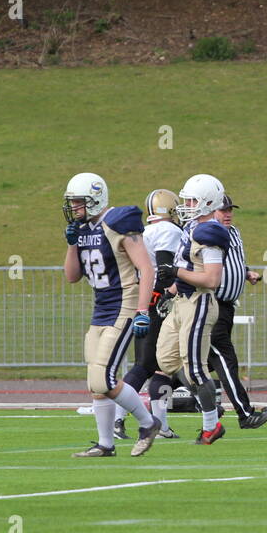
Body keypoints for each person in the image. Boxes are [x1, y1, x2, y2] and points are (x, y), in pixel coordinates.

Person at [62, 172, 160, 458]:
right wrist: (71, 243)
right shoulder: (82, 229)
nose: (75, 208)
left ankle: (147, 422)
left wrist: (143, 310)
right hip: (100, 309)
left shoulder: (118, 222)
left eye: (79, 202)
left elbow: (146, 269)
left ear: (95, 199)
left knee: (103, 378)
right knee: (95, 380)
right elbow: (71, 277)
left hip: (124, 306)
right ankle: (106, 444)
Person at [152, 173, 231, 445]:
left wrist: (175, 272)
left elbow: (211, 279)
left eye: (192, 199)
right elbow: (187, 268)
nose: (186, 204)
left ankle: (211, 424)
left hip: (199, 303)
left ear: (208, 201)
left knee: (196, 370)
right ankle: (208, 402)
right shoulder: (192, 227)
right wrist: (170, 289)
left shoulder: (210, 232)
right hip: (182, 302)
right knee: (167, 360)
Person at [113, 188, 184, 440]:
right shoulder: (168, 231)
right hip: (158, 302)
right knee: (146, 365)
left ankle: (161, 425)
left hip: (143, 300)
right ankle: (117, 419)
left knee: (158, 366)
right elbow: (165, 270)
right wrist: (169, 294)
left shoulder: (146, 231)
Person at [207, 194, 267, 429]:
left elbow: (232, 260)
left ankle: (201, 401)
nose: (227, 214)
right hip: (211, 304)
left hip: (226, 306)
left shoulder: (233, 232)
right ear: (211, 211)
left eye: (230, 210)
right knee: (225, 359)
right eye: (222, 209)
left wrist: (245, 273)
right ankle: (245, 414)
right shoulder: (206, 233)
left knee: (194, 364)